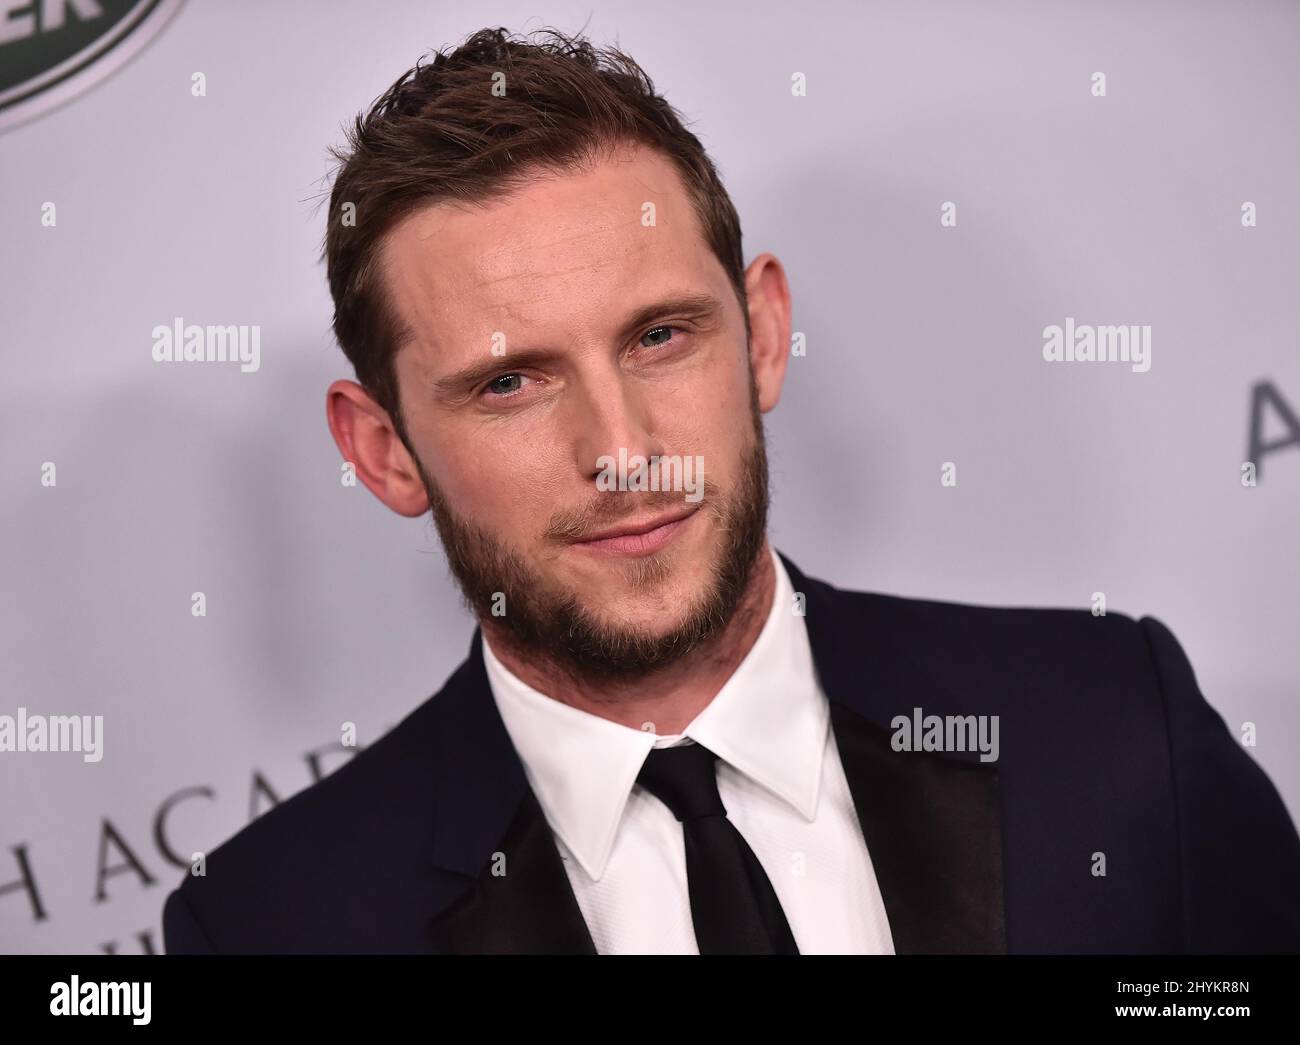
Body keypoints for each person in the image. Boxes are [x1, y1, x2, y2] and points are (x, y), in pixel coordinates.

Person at [162, 26, 1300, 955]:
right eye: (509, 381)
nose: (622, 449)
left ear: (760, 335)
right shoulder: (275, 924)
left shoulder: (1109, 728)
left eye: (660, 337)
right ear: (384, 452)